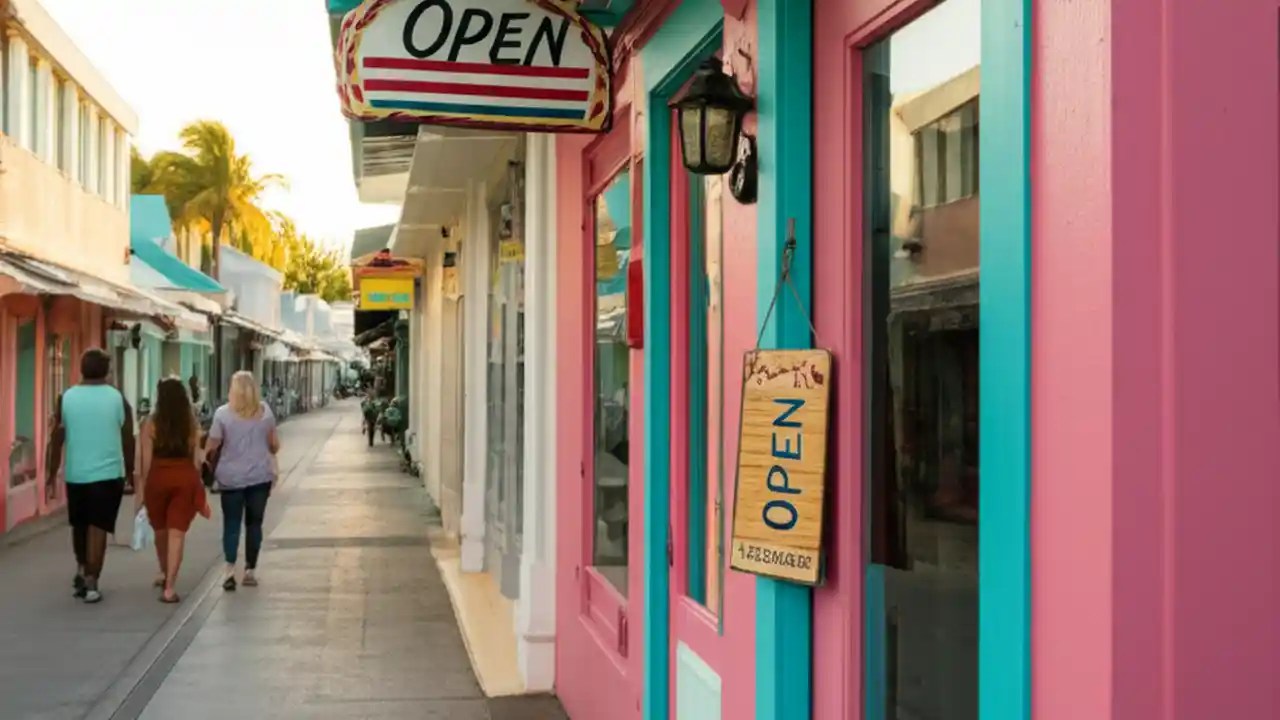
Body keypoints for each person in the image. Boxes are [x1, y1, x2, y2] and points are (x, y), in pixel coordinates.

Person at [46, 349, 134, 604]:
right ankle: (92, 581)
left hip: (77, 474)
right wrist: (130, 471)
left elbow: (57, 438)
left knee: (80, 523)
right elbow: (127, 437)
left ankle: (82, 567)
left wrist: (51, 473)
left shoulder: (68, 397)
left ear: (82, 369)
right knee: (99, 527)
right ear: (107, 371)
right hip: (108, 475)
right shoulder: (117, 398)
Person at [136, 377, 211, 603]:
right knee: (177, 533)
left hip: (158, 479)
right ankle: (170, 587)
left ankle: (164, 569)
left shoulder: (150, 424)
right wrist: (197, 485)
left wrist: (141, 490)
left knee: (161, 532)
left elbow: (144, 461)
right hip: (184, 478)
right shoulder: (190, 424)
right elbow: (196, 459)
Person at [206, 371, 279, 591]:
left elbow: (211, 446)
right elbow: (274, 445)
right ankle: (250, 571)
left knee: (231, 525)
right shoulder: (265, 412)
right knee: (254, 524)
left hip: (231, 479)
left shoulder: (222, 414)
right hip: (260, 477)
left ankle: (229, 571)